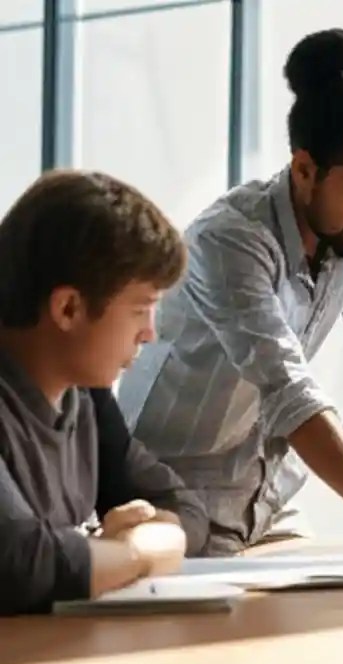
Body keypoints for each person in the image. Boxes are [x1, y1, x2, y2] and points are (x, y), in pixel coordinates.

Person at [116, 28, 343, 561]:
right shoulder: (229, 239)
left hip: (267, 506)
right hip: (171, 501)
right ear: (305, 169)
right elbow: (286, 387)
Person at [0, 170, 209, 614]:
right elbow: (18, 563)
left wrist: (129, 545)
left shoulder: (85, 396)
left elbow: (181, 507)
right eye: (140, 310)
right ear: (68, 308)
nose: (150, 334)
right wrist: (137, 556)